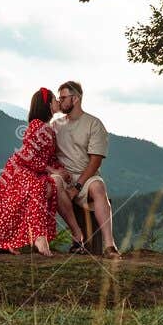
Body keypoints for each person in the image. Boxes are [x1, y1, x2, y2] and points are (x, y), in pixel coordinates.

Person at [0, 86, 85, 255]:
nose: (57, 102)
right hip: (21, 171)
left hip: (35, 171)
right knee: (40, 188)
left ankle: (53, 236)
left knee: (52, 184)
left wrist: (61, 171)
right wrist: (51, 170)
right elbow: (27, 156)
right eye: (54, 99)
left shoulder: (49, 129)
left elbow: (50, 157)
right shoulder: (35, 126)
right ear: (47, 104)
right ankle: (41, 237)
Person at [50, 81, 120, 257]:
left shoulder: (94, 124)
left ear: (75, 98)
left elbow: (95, 162)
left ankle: (110, 246)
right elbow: (44, 155)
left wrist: (78, 187)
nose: (60, 101)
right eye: (58, 98)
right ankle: (75, 237)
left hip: (86, 177)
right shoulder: (55, 125)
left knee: (98, 187)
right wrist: (54, 171)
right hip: (63, 178)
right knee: (52, 182)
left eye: (63, 97)